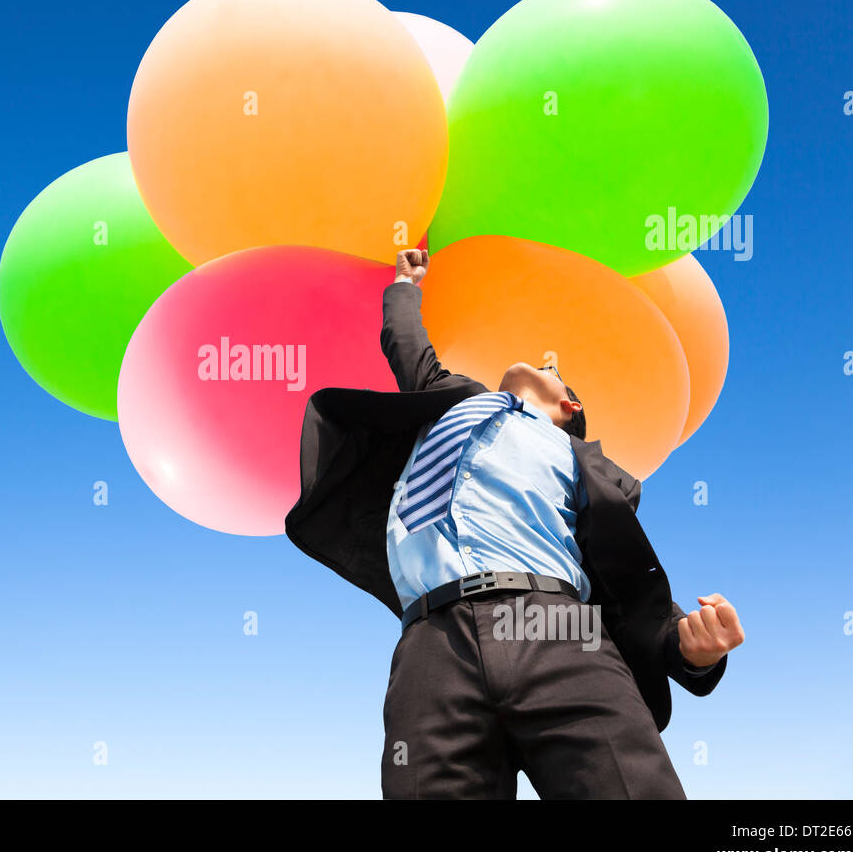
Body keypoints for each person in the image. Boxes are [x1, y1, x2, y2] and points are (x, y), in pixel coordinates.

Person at [284, 248, 745, 799]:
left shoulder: (580, 460)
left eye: (554, 371)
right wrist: (406, 283)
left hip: (556, 626)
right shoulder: (449, 399)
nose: (541, 362)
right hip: (432, 640)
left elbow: (623, 578)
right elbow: (406, 343)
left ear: (569, 406)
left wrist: (691, 653)